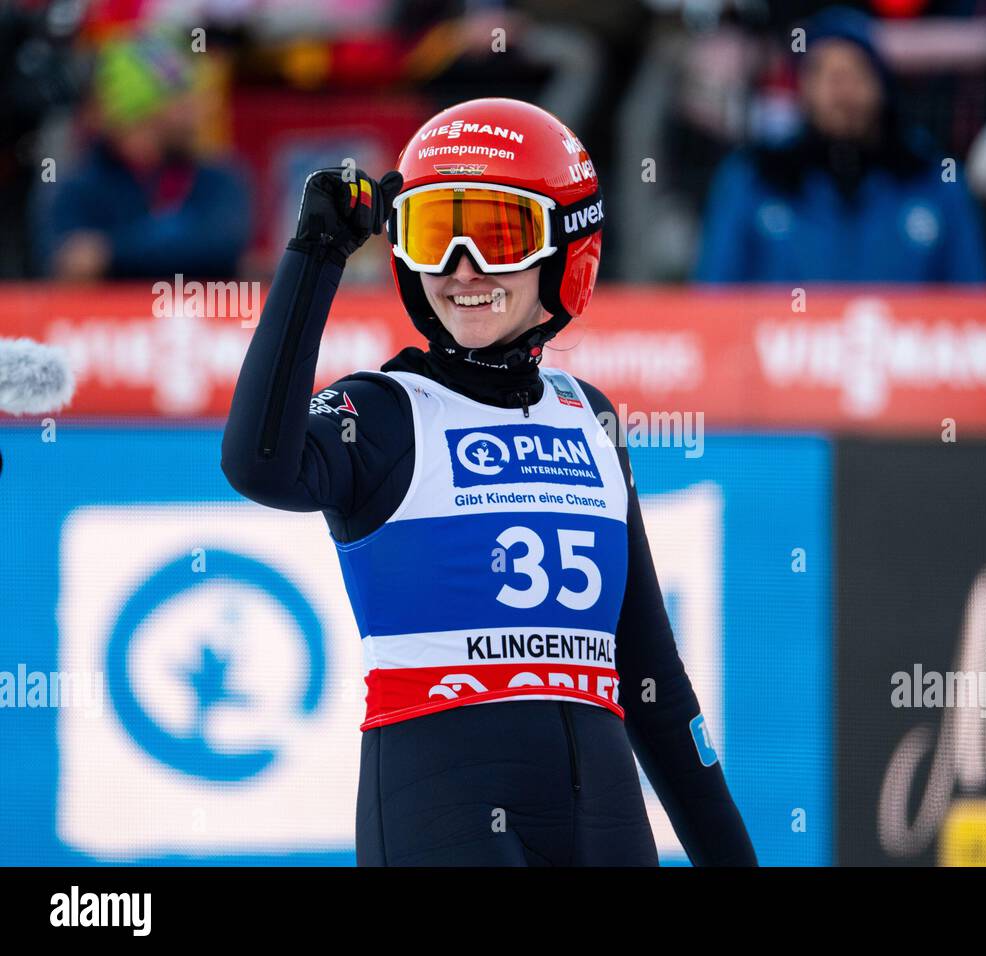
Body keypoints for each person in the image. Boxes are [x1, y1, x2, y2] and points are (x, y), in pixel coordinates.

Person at [221, 97, 757, 867]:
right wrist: (316, 255)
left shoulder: (590, 417)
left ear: (567, 250)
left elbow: (654, 686)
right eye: (436, 236)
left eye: (501, 237)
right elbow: (257, 464)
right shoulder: (380, 413)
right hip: (442, 807)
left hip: (603, 815)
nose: (462, 269)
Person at [693, 5, 986, 284]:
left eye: (856, 71)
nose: (841, 89)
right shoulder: (754, 179)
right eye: (824, 73)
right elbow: (713, 300)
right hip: (783, 339)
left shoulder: (934, 181)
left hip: (906, 340)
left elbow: (978, 307)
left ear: (881, 87)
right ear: (803, 89)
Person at [34, 32, 250, 281]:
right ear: (142, 114)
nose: (197, 115)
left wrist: (110, 252)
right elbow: (66, 263)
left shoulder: (220, 178)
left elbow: (220, 246)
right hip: (108, 321)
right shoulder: (75, 188)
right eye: (181, 103)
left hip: (195, 319)